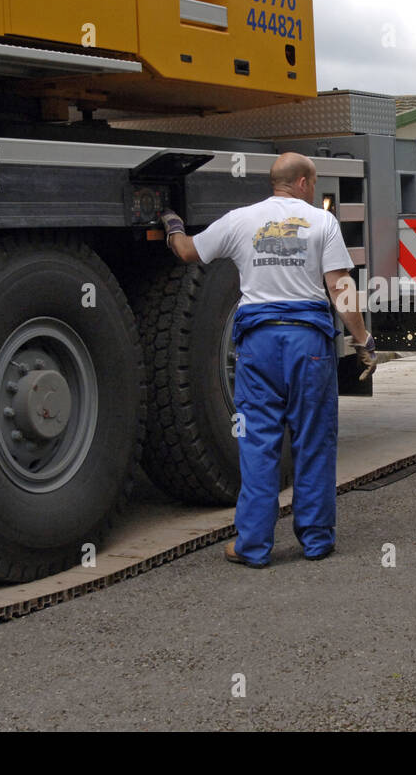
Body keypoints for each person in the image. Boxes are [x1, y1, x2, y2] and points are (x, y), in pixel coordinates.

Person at [161, 152, 376, 568]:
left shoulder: (241, 219)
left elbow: (188, 252)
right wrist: (363, 339)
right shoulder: (322, 222)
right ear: (301, 183)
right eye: (312, 183)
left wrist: (172, 226)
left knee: (258, 443)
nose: (313, 190)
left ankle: (253, 546)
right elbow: (340, 286)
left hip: (257, 346)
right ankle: (315, 540)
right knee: (313, 440)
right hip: (308, 347)